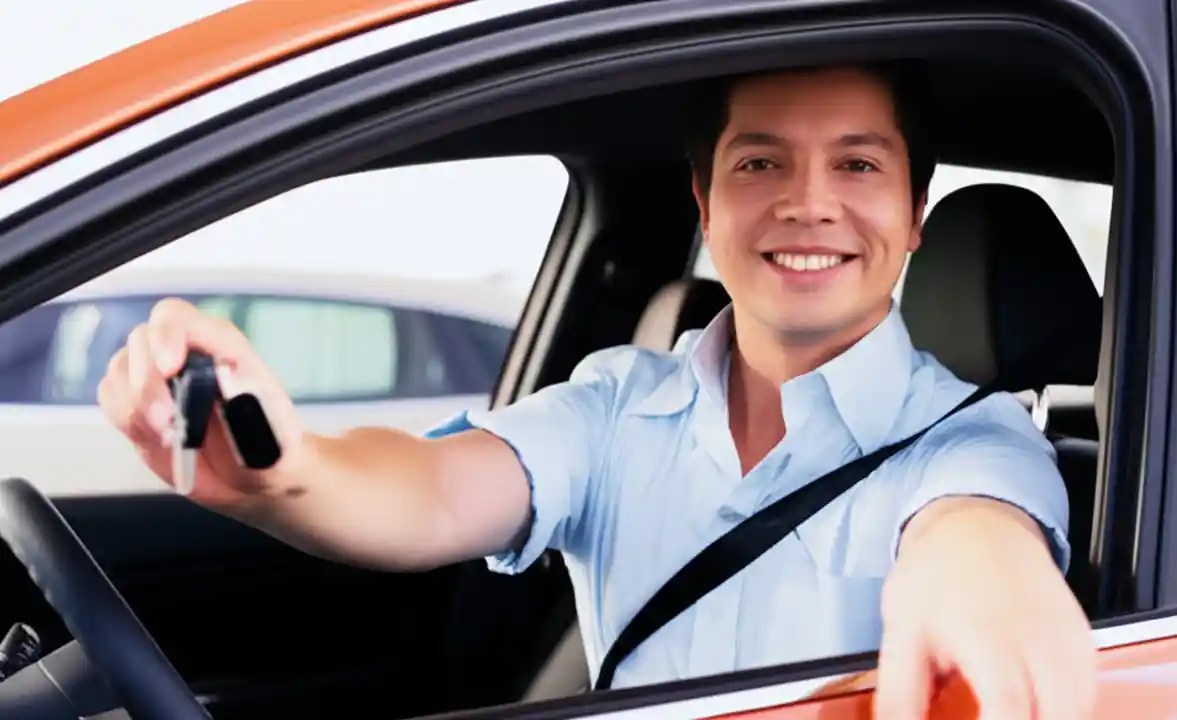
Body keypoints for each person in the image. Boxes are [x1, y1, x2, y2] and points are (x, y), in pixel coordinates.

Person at [97, 62, 1097, 718]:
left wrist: (976, 568)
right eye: (759, 162)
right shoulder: (618, 403)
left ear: (913, 212)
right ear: (704, 203)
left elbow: (974, 530)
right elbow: (434, 488)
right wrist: (290, 466)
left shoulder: (972, 443)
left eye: (857, 164)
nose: (807, 202)